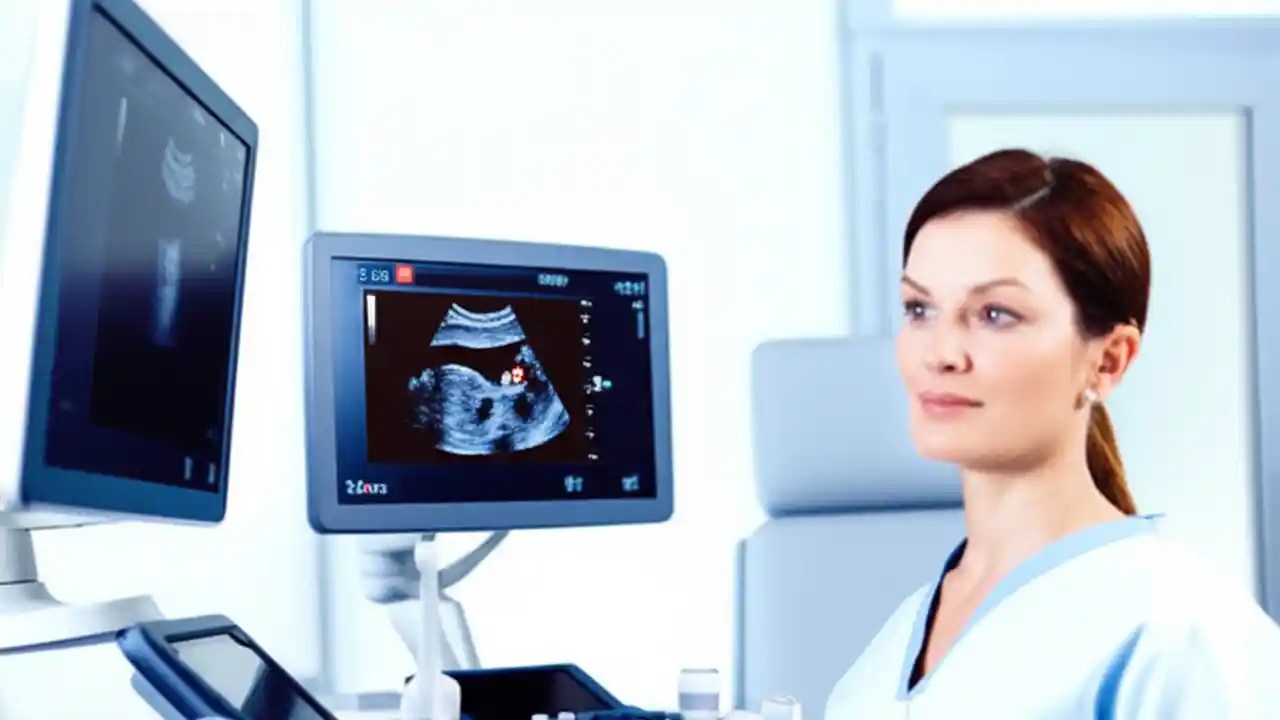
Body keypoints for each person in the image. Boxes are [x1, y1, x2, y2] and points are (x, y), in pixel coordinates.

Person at [824, 148, 1280, 718]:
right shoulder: (894, 644)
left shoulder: (1177, 631)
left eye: (995, 314)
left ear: (1109, 361)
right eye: (919, 308)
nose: (939, 353)